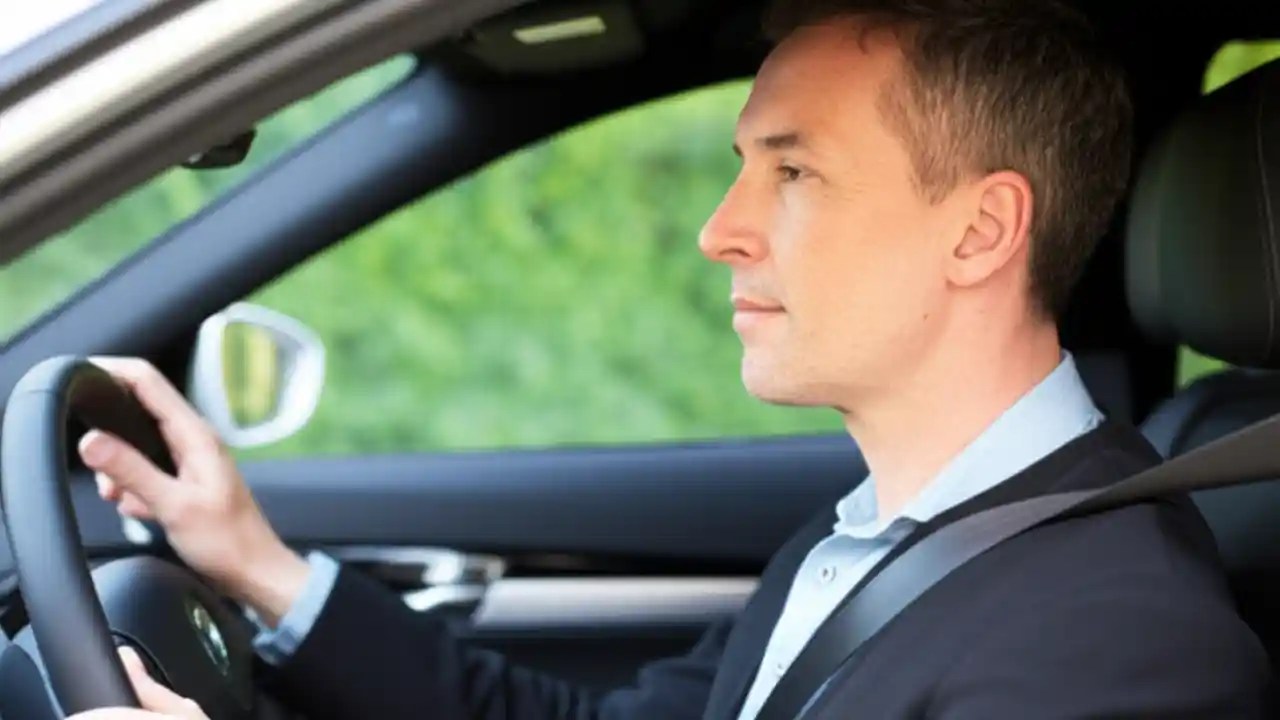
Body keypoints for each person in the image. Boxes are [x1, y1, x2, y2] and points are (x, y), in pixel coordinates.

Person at [68, 0, 1272, 718]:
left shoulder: (1121, 644)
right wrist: (260, 566)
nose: (720, 229)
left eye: (793, 172)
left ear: (978, 231)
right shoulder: (869, 531)